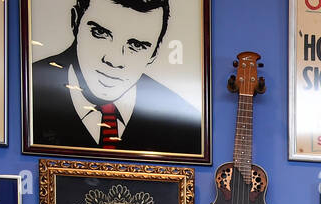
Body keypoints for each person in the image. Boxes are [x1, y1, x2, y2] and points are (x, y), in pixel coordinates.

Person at [29, 0, 201, 155]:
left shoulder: (184, 127)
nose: (114, 60)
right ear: (75, 22)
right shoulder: (27, 93)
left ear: (154, 53)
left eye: (137, 45)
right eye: (99, 33)